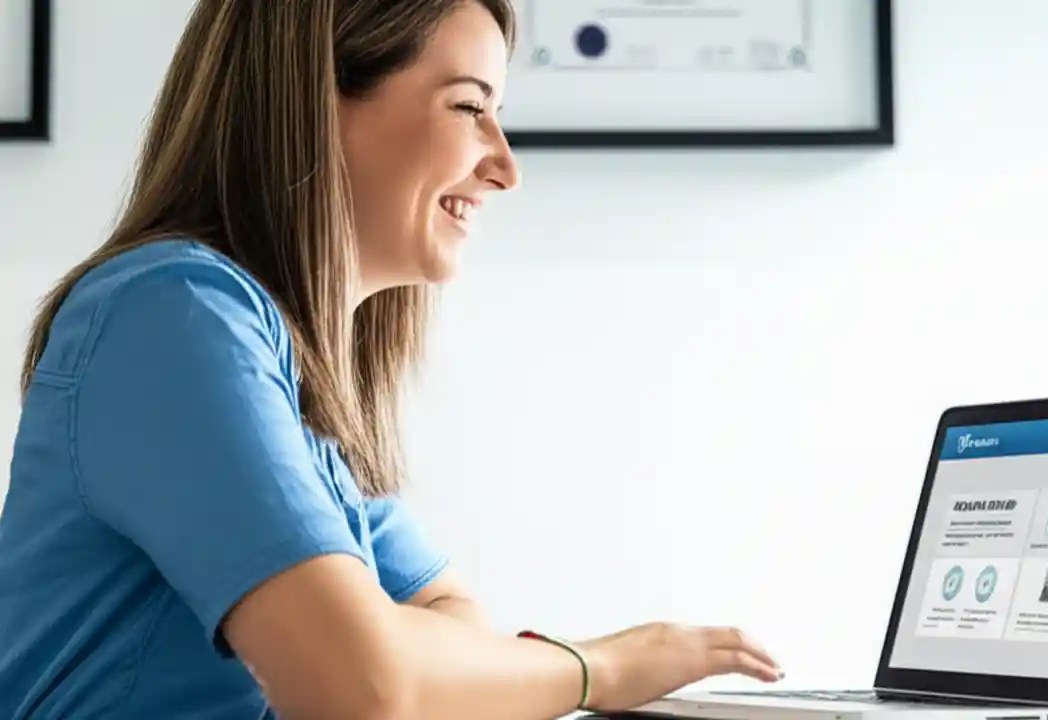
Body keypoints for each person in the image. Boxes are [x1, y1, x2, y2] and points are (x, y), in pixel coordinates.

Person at [0, 1, 783, 718]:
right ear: (316, 105)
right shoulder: (173, 314)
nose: (506, 166)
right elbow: (367, 686)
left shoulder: (286, 377)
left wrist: (405, 651)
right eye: (470, 107)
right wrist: (604, 666)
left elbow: (458, 628)